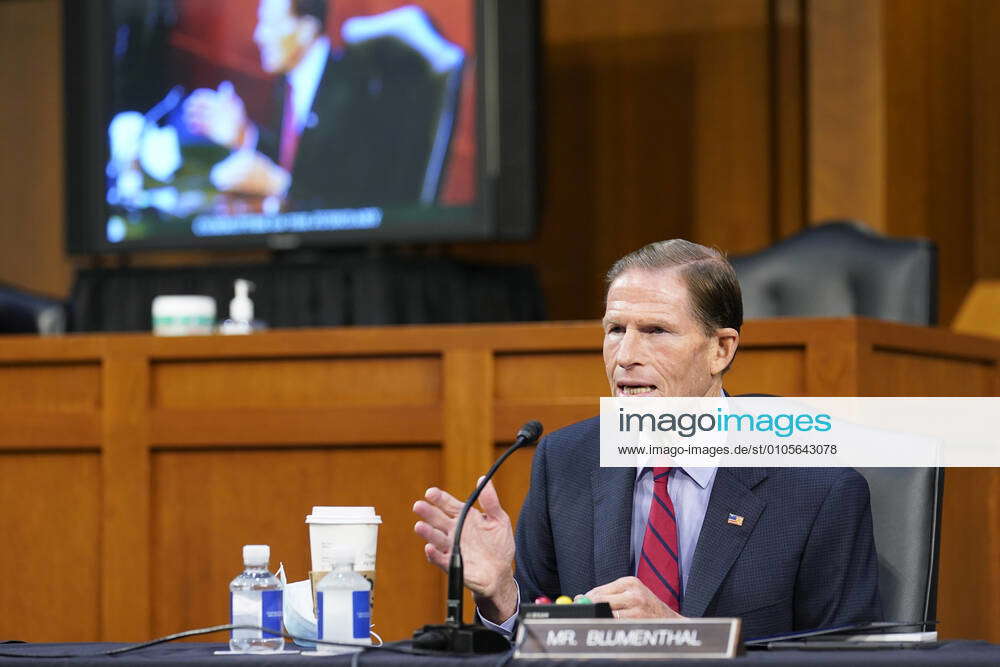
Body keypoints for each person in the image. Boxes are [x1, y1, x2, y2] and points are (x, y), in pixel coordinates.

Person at [412, 239, 882, 640]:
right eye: (615, 330)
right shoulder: (567, 461)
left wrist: (680, 638)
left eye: (655, 331)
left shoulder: (817, 488)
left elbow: (841, 659)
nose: (626, 356)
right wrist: (500, 596)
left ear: (721, 349)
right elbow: (538, 644)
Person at [184, 0, 445, 210]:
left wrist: (280, 186)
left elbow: (358, 202)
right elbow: (302, 162)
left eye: (271, 24)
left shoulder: (359, 89)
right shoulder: (290, 82)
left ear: (306, 29)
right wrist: (245, 135)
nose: (258, 35)